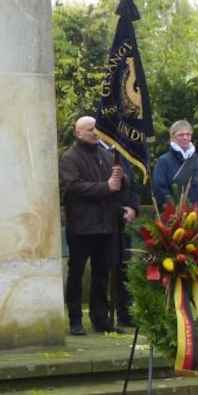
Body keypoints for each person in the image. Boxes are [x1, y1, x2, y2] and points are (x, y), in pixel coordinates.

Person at [59, 116, 139, 335]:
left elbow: (120, 186)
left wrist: (121, 179)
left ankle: (101, 318)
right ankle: (75, 319)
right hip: (82, 225)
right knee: (76, 273)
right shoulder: (70, 158)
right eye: (90, 129)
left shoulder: (106, 155)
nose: (95, 133)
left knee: (102, 273)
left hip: (107, 225)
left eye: (96, 129)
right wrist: (106, 186)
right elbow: (74, 186)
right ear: (78, 133)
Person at [152, 119, 198, 213]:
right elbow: (160, 190)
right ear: (172, 137)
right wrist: (178, 215)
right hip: (172, 217)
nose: (185, 138)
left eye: (188, 134)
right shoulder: (163, 162)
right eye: (181, 135)